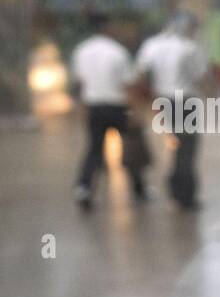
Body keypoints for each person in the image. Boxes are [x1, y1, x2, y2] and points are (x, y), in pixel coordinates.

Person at [69, 11, 149, 208]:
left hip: (94, 107)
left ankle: (84, 189)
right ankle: (139, 190)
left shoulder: (81, 51)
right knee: (130, 147)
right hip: (117, 107)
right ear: (107, 28)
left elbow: (78, 83)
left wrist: (80, 107)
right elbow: (128, 86)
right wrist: (134, 113)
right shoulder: (117, 52)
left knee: (95, 150)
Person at [137, 12, 208, 209]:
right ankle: (184, 195)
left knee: (175, 145)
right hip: (184, 101)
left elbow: (142, 74)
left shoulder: (151, 45)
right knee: (187, 148)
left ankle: (175, 191)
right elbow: (201, 76)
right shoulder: (188, 48)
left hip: (162, 100)